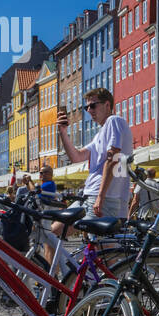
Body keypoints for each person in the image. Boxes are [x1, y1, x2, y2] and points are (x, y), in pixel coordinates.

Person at [48, 87, 132, 264]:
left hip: (104, 196)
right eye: (87, 108)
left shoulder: (114, 121)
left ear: (107, 104)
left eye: (93, 106)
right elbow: (76, 157)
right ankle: (51, 284)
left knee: (101, 257)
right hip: (91, 194)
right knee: (55, 230)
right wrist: (62, 132)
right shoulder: (101, 133)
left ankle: (110, 287)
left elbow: (113, 158)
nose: (89, 111)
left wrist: (100, 197)